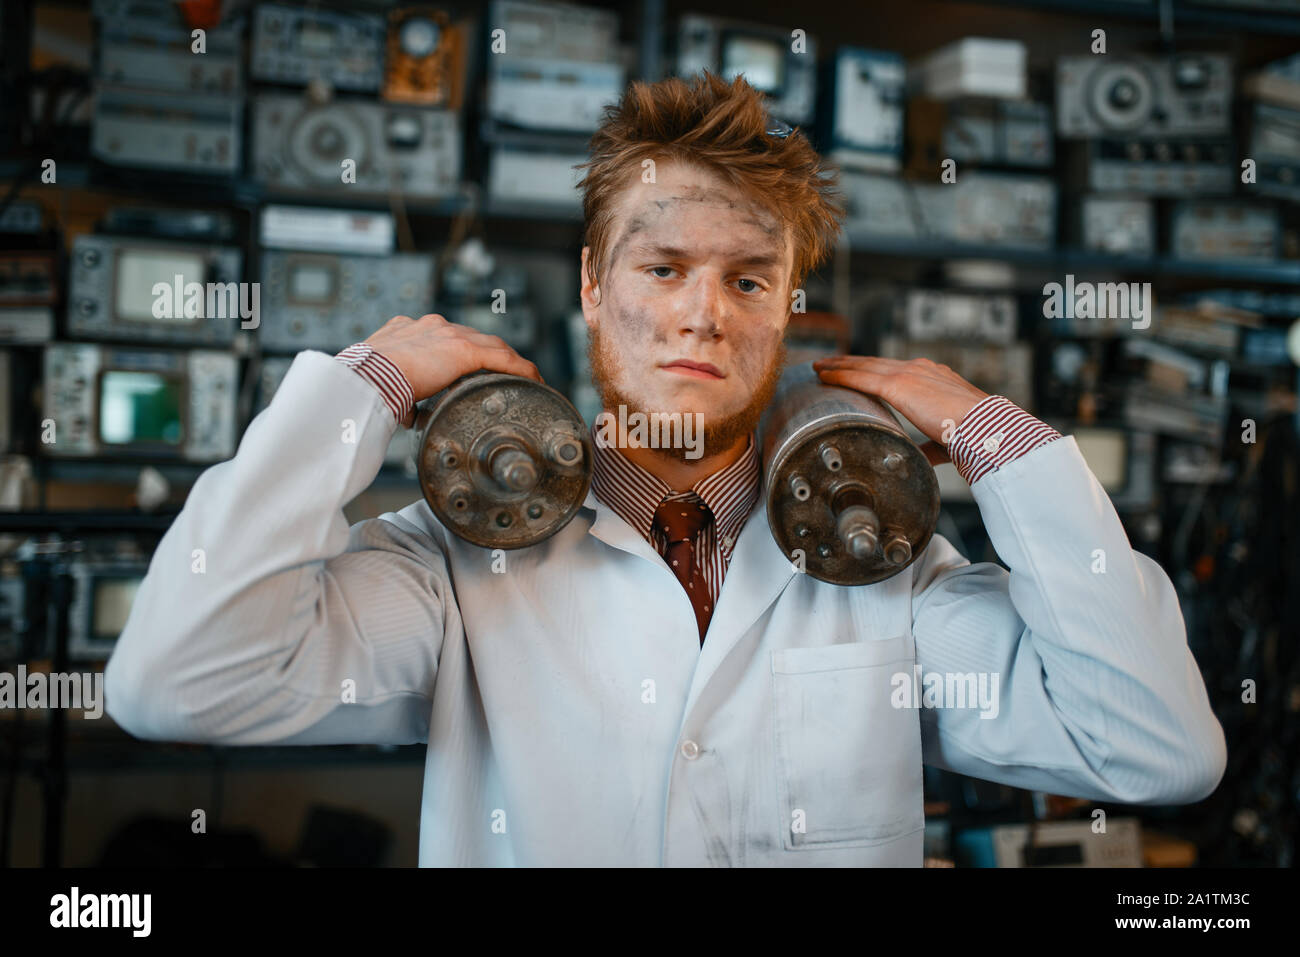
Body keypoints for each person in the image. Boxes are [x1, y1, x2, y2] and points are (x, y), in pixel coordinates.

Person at [106, 73, 1226, 866]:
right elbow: (175, 682)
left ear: (786, 307)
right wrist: (359, 388)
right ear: (595, 284)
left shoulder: (892, 575)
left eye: (748, 279)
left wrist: (999, 439)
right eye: (665, 265)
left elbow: (1151, 751)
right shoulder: (450, 573)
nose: (701, 312)